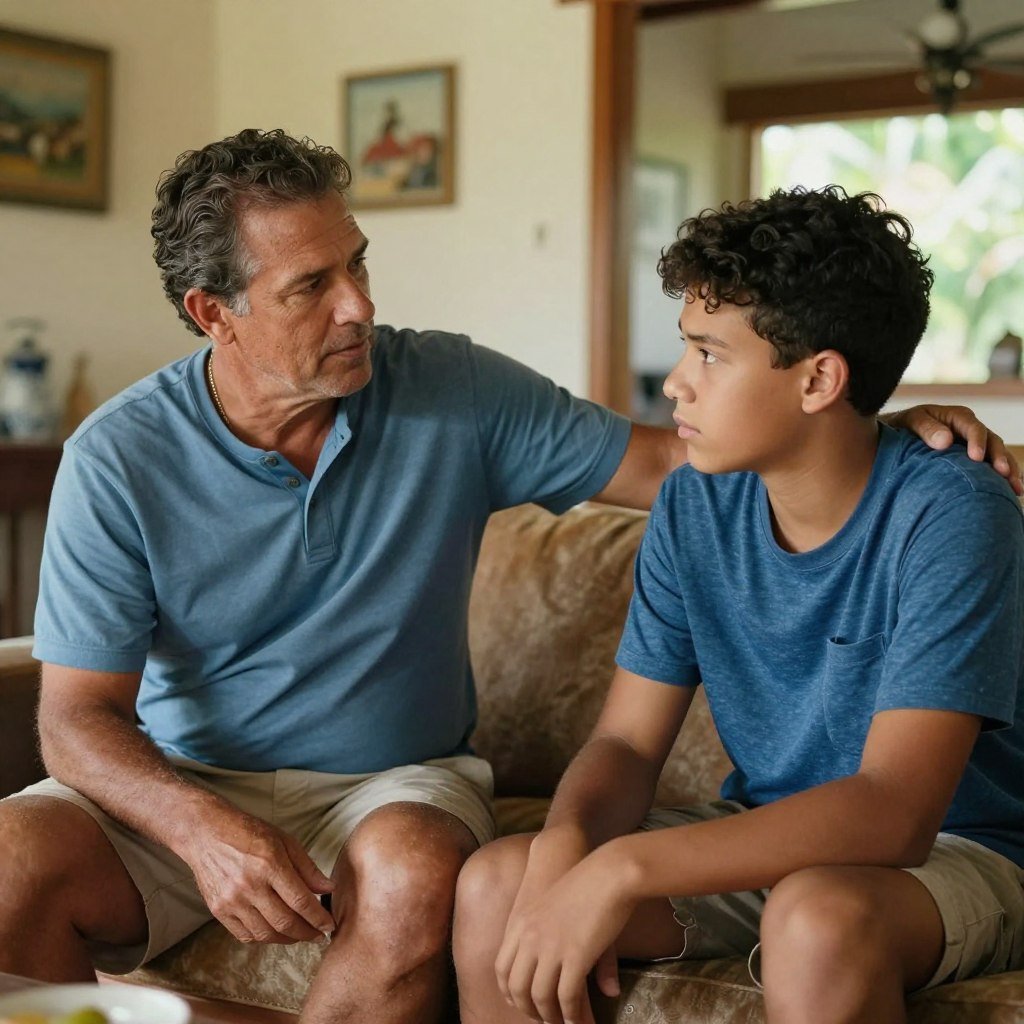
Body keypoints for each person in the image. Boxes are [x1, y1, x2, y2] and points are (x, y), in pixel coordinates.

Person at [0, 131, 1012, 1024]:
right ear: (211, 313)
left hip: (399, 788)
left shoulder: (453, 387)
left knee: (445, 876)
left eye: (356, 264)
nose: (360, 304)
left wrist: (881, 421)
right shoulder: (117, 456)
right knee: (12, 861)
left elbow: (694, 456)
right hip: (194, 779)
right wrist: (207, 831)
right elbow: (76, 717)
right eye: (312, 286)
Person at [453, 186, 1024, 1024]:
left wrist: (621, 870)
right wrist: (567, 847)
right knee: (501, 882)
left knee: (818, 921)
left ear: (820, 378)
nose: (677, 385)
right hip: (770, 832)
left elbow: (896, 812)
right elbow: (623, 740)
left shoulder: (953, 512)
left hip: (956, 852)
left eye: (710, 354)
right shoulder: (694, 504)